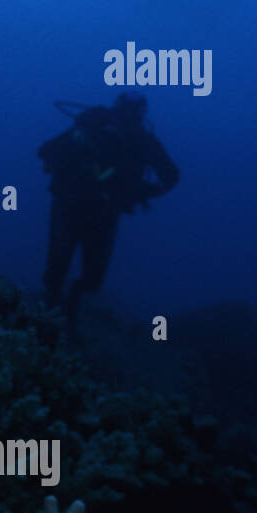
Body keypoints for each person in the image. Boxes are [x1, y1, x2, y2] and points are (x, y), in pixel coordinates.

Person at [37, 91, 179, 338]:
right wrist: (74, 148)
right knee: (56, 270)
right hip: (69, 206)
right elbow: (46, 151)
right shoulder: (90, 126)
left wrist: (142, 191)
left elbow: (171, 175)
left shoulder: (143, 142)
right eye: (125, 114)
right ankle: (48, 327)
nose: (128, 121)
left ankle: (68, 311)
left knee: (92, 279)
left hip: (104, 215)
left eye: (133, 116)